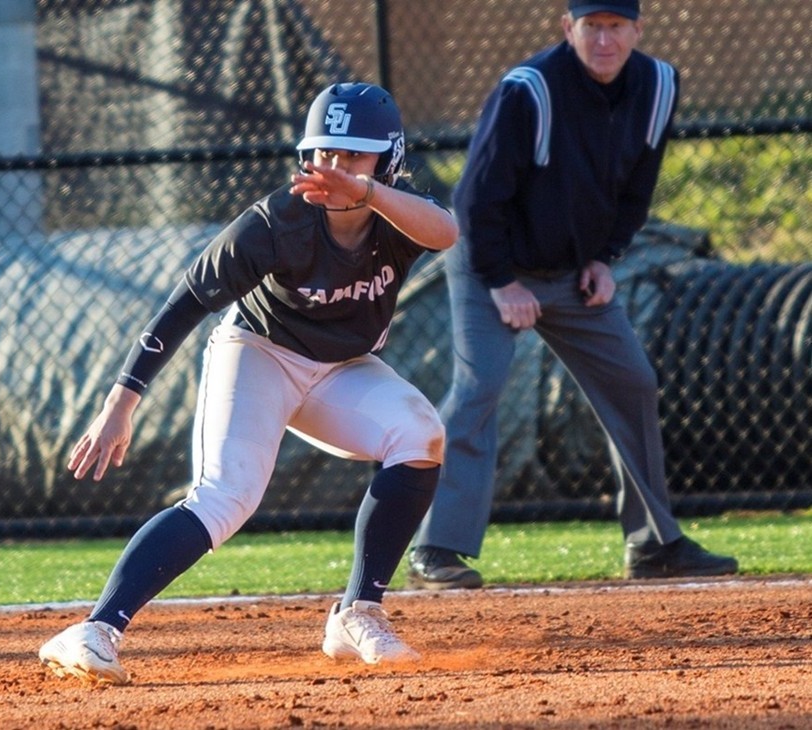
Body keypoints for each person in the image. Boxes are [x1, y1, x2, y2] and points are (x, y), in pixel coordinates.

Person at [38, 82, 458, 685]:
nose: (336, 170)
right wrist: (119, 403)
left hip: (342, 368)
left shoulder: (396, 213)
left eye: (355, 156)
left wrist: (368, 192)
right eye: (325, 155)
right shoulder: (277, 221)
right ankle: (95, 630)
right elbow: (184, 305)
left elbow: (447, 233)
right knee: (226, 496)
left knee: (421, 434)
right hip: (258, 353)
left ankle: (357, 613)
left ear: (387, 160)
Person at [407, 0, 738, 590]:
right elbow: (476, 201)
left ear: (638, 30)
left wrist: (603, 258)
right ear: (568, 29)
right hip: (491, 259)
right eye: (592, 26)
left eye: (616, 26)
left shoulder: (658, 84)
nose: (605, 39)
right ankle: (436, 547)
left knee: (632, 381)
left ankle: (654, 545)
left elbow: (637, 187)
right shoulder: (528, 90)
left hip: (572, 270)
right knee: (479, 386)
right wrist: (501, 282)